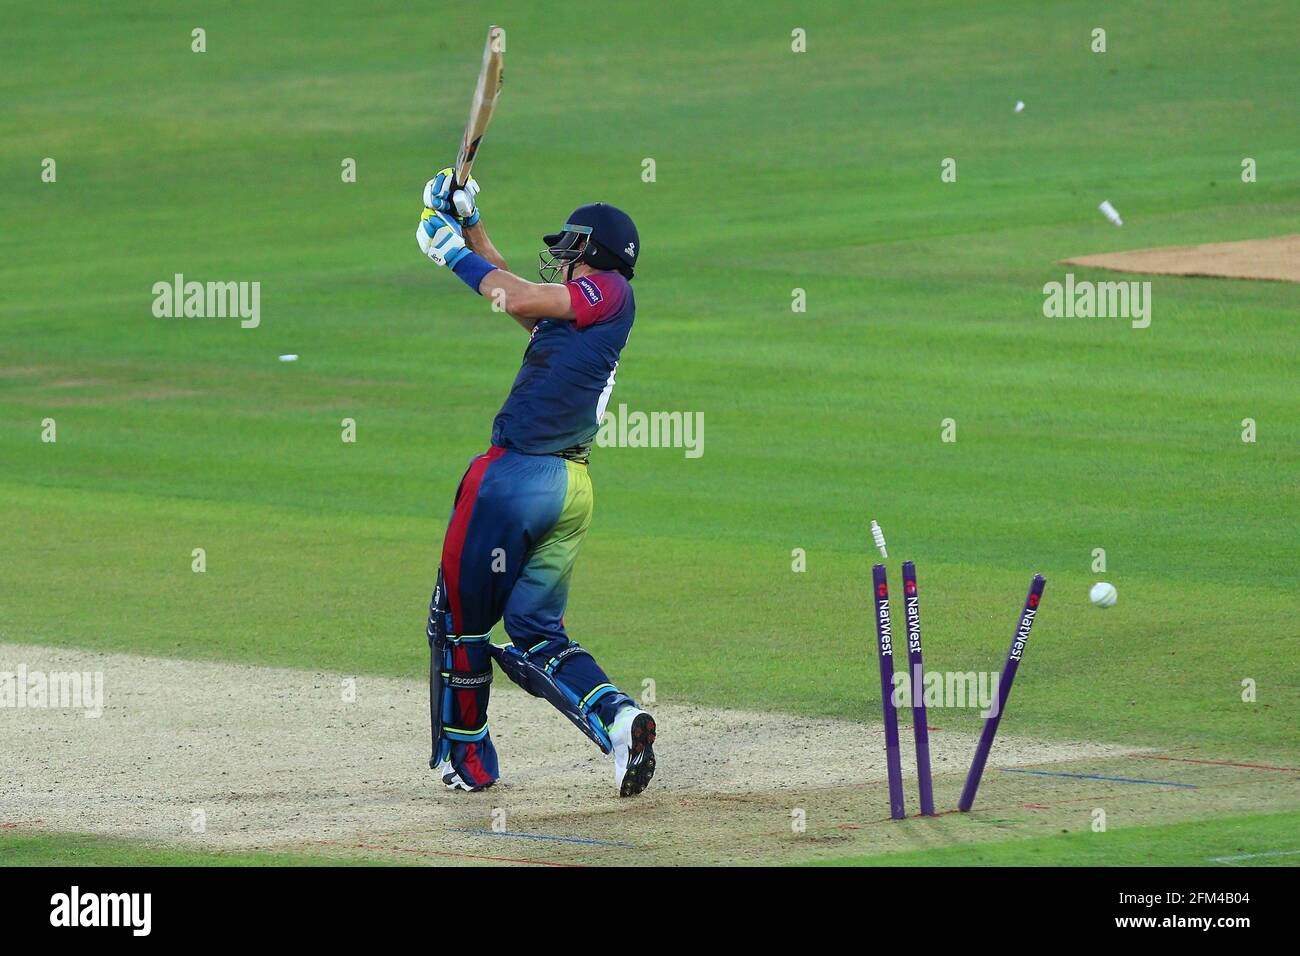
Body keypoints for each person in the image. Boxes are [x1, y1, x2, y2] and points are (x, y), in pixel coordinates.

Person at [415, 169, 656, 797]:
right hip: (570, 491)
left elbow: (517, 297)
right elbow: (513, 289)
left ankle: (466, 763)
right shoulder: (577, 317)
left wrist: (447, 253)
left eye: (573, 248)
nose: (563, 259)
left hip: (517, 476)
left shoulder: (609, 292)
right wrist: (466, 219)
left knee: (459, 620)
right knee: (534, 630)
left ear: (598, 256)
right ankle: (620, 721)